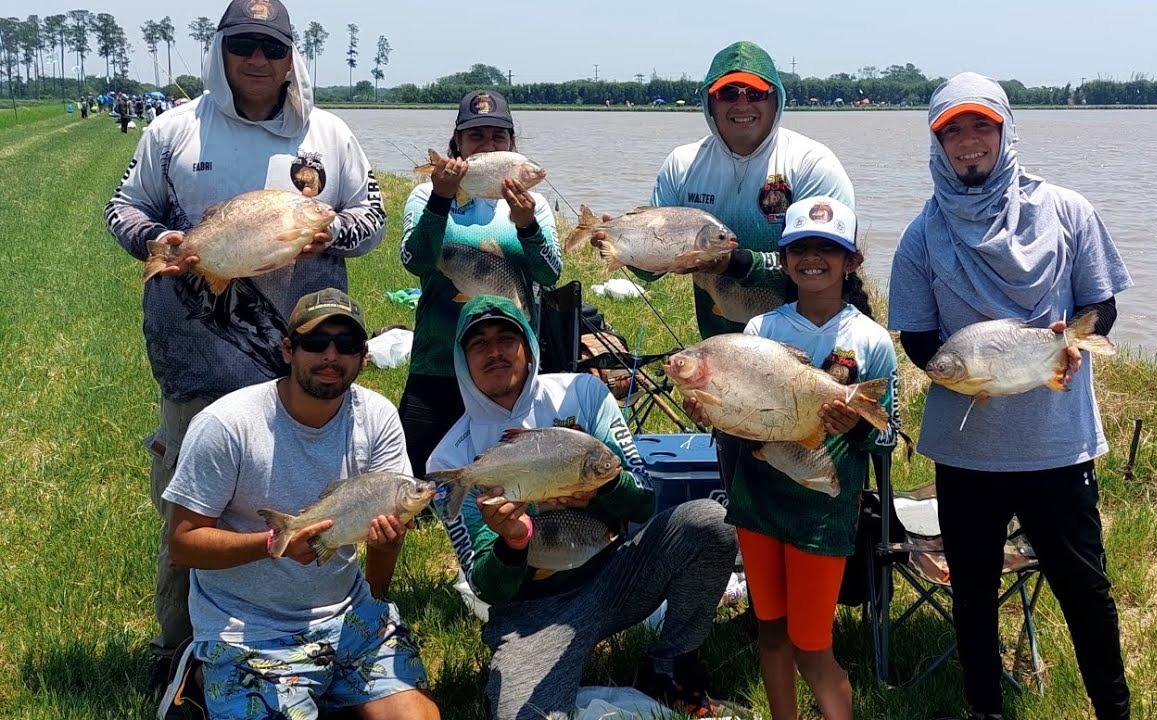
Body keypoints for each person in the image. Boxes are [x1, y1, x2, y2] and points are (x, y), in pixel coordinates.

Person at [103, 0, 388, 699]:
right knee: (191, 506)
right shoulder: (174, 130)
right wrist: (156, 241)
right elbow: (123, 208)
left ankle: (315, 636)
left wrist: (335, 233)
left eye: (272, 47)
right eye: (243, 45)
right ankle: (179, 652)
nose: (258, 60)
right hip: (197, 358)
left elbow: (374, 215)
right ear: (220, 51)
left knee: (304, 502)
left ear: (292, 56)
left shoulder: (328, 134)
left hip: (305, 356)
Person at [887, 72, 1133, 720]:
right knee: (972, 591)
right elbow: (918, 338)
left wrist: (1074, 344)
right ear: (937, 143)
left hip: (1058, 442)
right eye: (953, 130)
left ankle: (1114, 710)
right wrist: (971, 377)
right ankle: (985, 709)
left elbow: (1101, 304)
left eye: (982, 125)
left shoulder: (1069, 212)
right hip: (967, 449)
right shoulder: (921, 236)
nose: (968, 141)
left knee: (1086, 589)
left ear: (1006, 131)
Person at [427, 295, 737, 720]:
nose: (494, 351)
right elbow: (486, 587)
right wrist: (512, 542)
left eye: (506, 338)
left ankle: (671, 668)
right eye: (478, 343)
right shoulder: (451, 460)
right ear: (462, 360)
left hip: (616, 571)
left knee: (710, 522)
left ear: (528, 345)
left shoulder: (582, 394)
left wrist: (602, 489)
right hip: (533, 611)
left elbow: (644, 500)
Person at [162, 288, 441, 719]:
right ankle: (199, 671)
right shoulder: (227, 424)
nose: (331, 355)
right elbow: (183, 545)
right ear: (288, 349)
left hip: (350, 617)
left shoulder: (378, 416)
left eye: (346, 344)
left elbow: (384, 547)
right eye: (315, 342)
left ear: (363, 357)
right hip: (249, 631)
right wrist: (272, 543)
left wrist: (380, 583)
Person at [695, 196, 898, 720]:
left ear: (851, 261)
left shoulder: (871, 340)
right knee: (771, 633)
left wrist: (857, 427)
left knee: (812, 646)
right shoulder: (760, 331)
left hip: (823, 511)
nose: (812, 259)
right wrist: (711, 411)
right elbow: (741, 419)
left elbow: (887, 438)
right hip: (758, 500)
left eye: (827, 249)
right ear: (783, 260)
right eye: (800, 248)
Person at [642, 41, 857, 496]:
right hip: (723, 360)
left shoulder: (811, 164)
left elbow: (832, 264)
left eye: (755, 93)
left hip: (810, 353)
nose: (742, 104)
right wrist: (623, 245)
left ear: (776, 98)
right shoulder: (683, 165)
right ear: (709, 102)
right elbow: (650, 267)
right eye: (728, 93)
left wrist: (741, 263)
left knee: (819, 484)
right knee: (743, 486)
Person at [399, 89, 561, 479]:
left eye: (497, 136)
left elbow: (550, 275)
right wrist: (441, 200)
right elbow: (414, 261)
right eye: (476, 136)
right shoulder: (425, 195)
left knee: (511, 481)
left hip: (510, 368)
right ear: (457, 143)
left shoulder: (534, 204)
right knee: (418, 483)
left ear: (511, 145)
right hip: (438, 360)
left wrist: (528, 226)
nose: (487, 145)